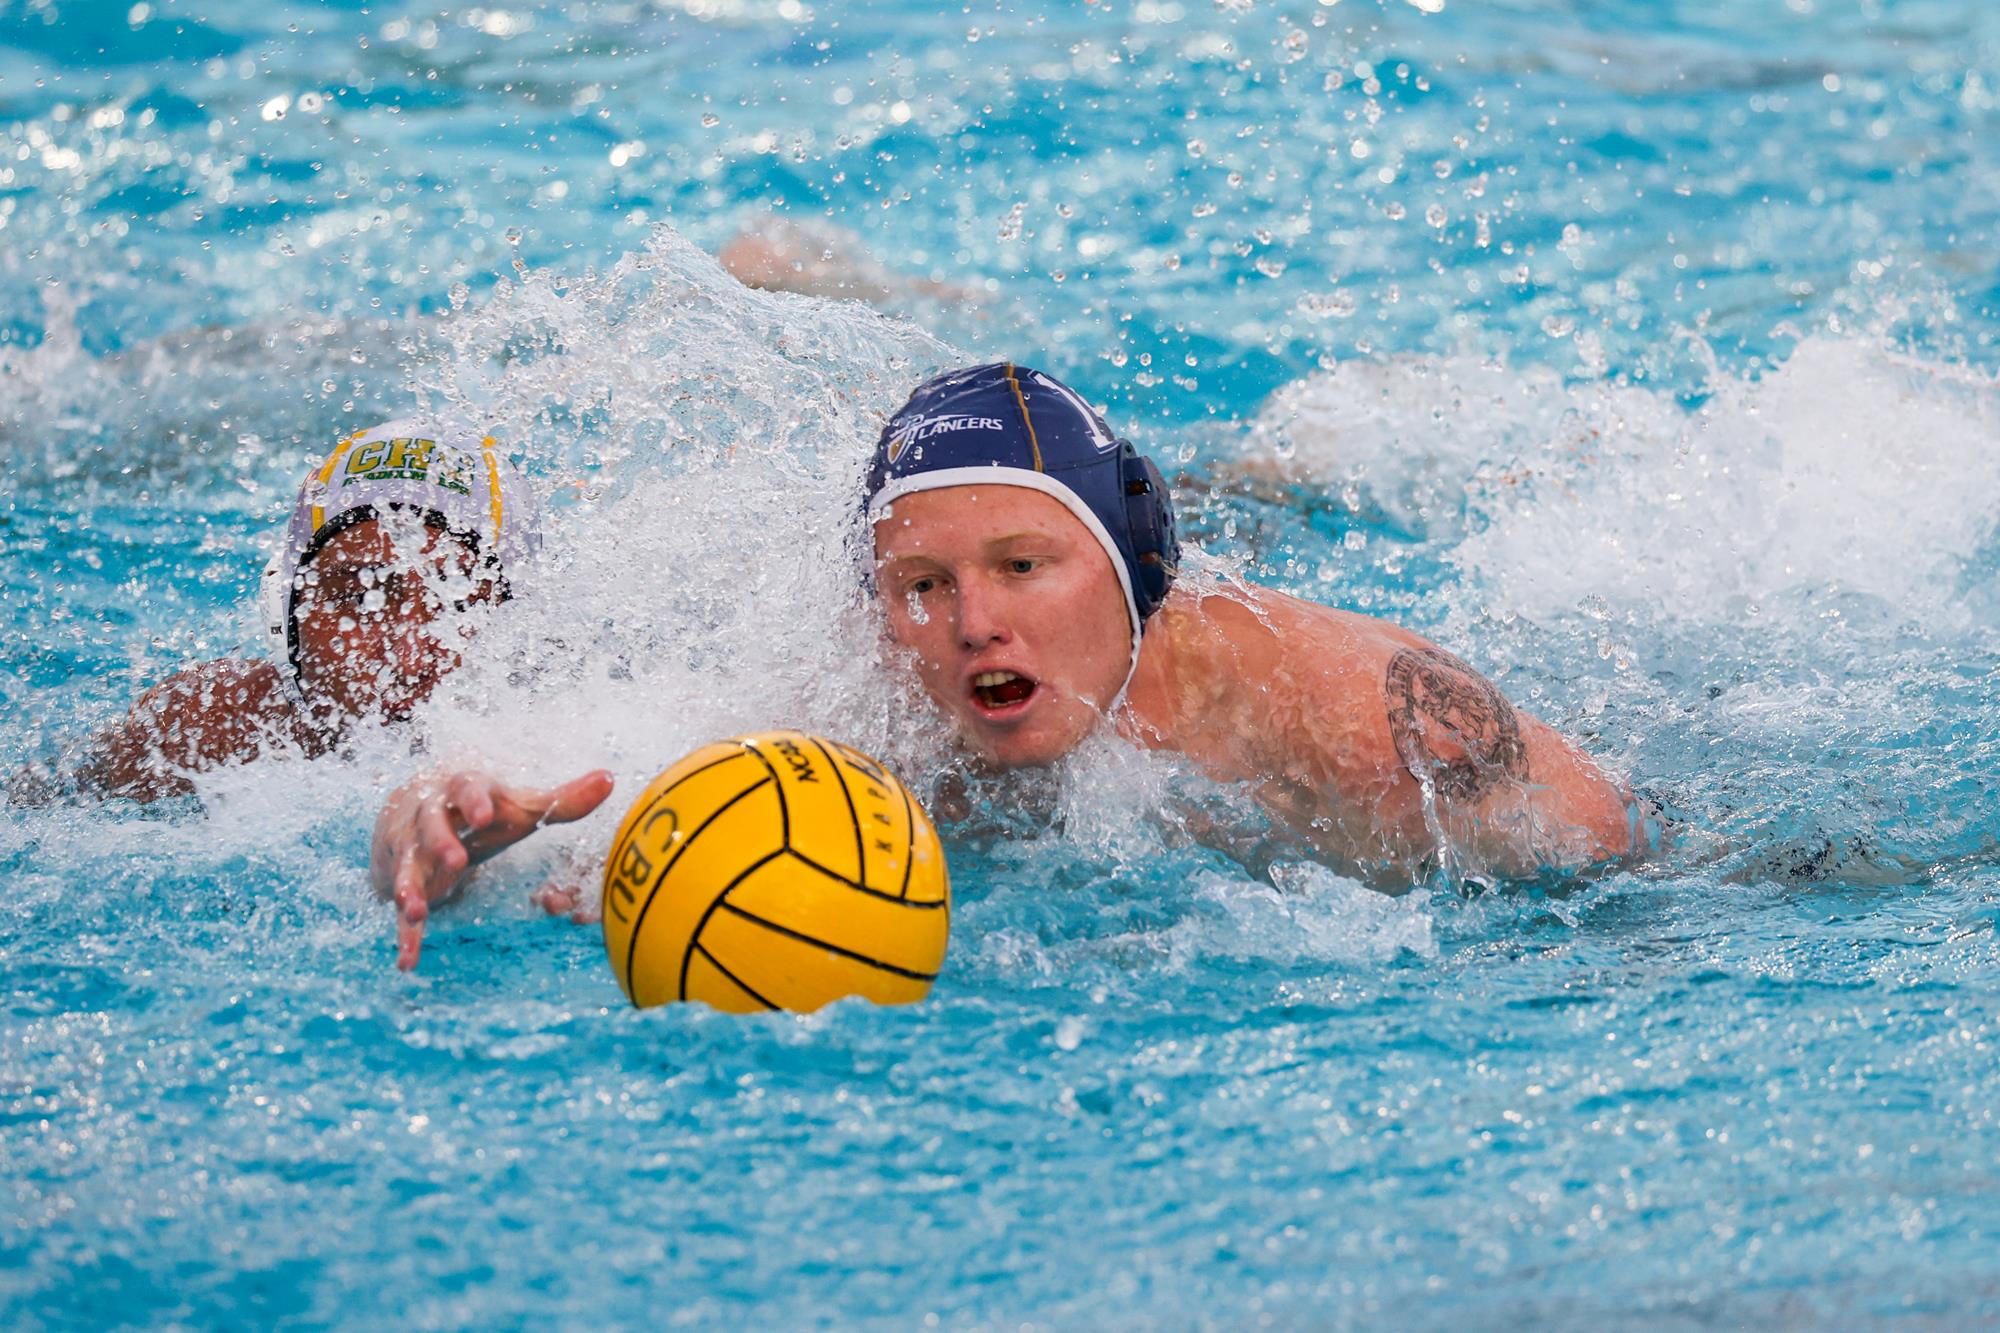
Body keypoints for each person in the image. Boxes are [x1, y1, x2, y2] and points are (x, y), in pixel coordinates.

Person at [371, 364, 1655, 970]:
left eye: (1024, 566)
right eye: (921, 587)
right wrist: (453, 825)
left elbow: (1632, 881)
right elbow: (575, 791)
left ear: (1130, 571)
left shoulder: (1353, 725)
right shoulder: (866, 716)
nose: (972, 624)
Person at [11, 421, 540, 806]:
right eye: (359, 598)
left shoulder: (561, 744)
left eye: (453, 603)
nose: (402, 652)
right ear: (287, 608)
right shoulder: (207, 733)